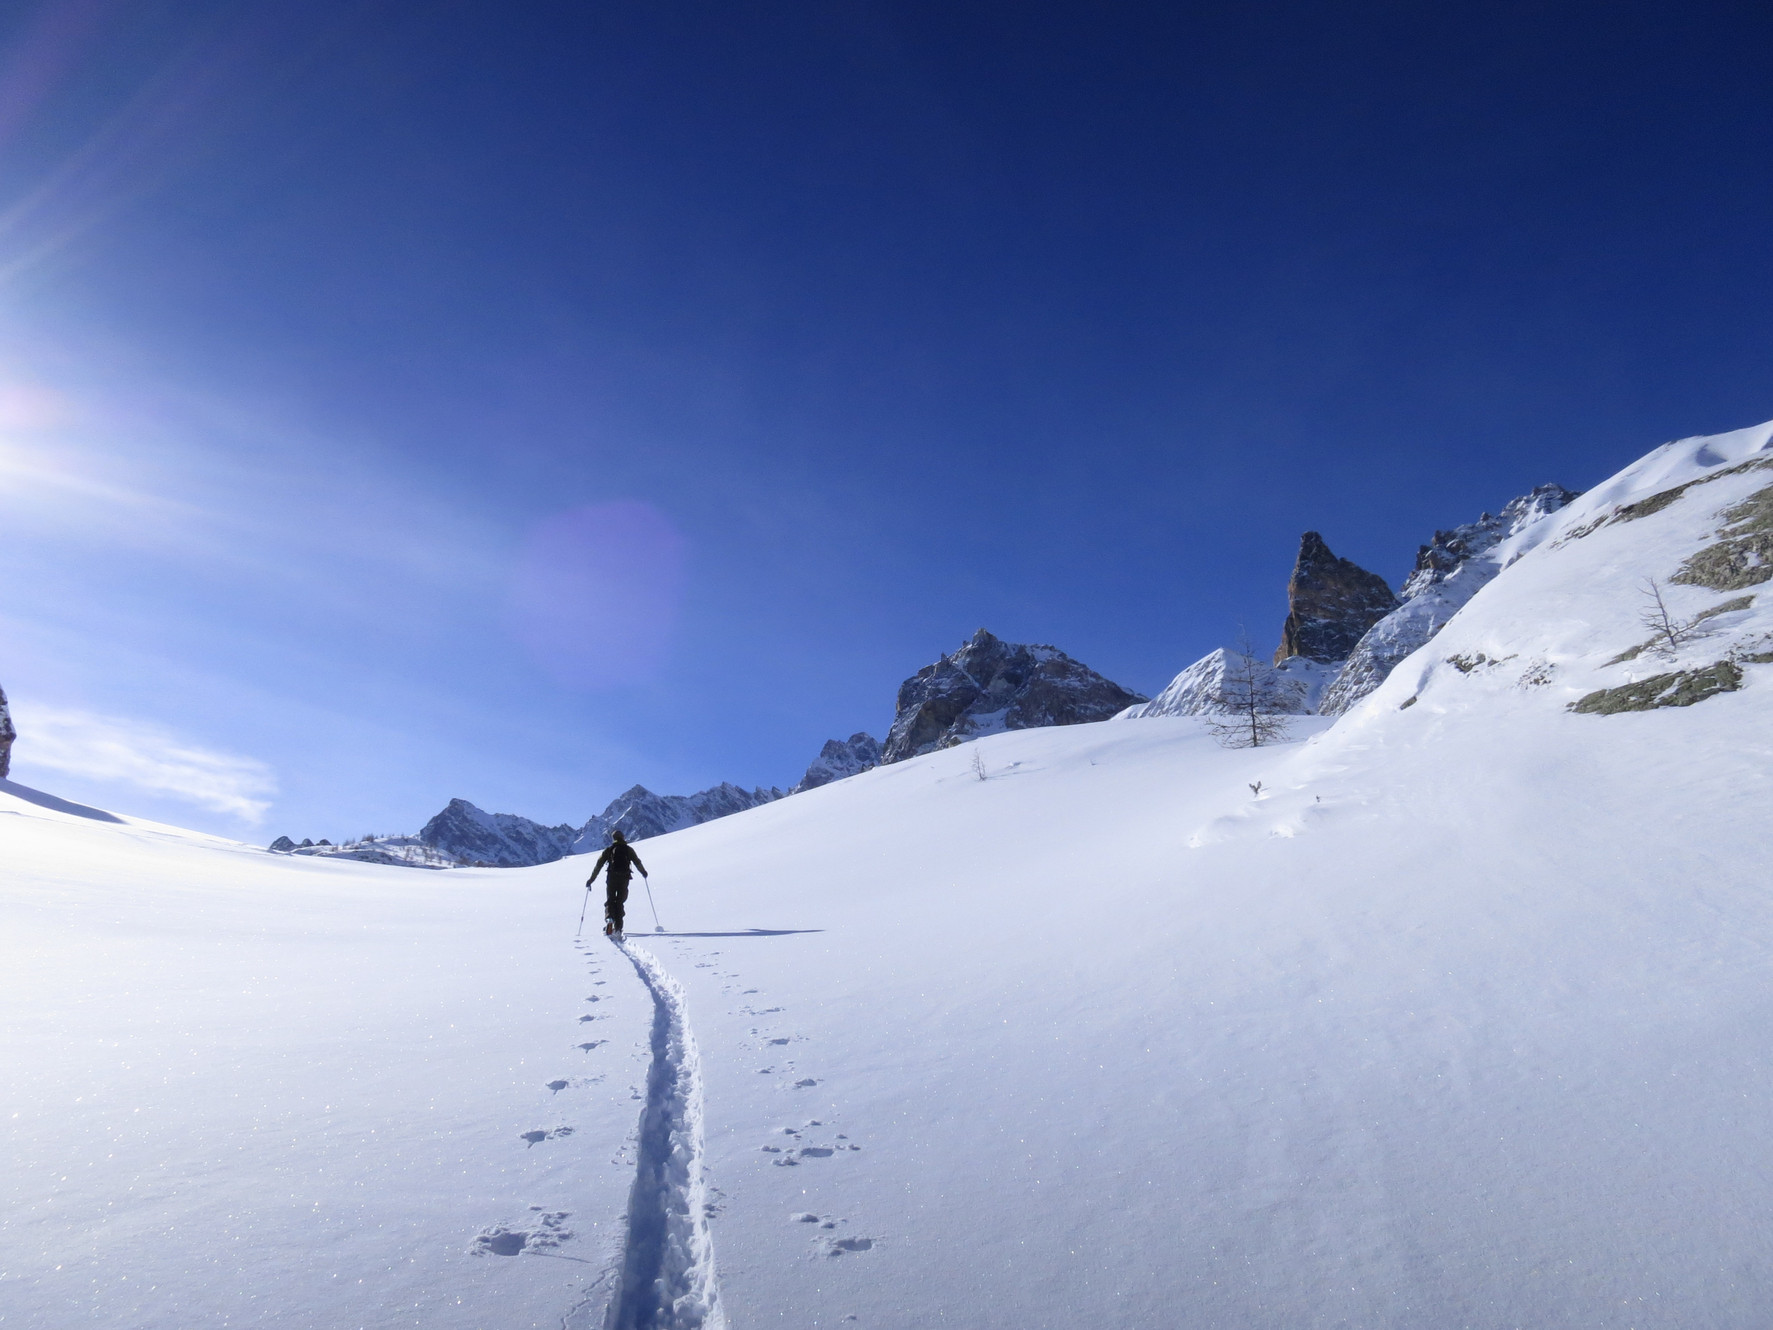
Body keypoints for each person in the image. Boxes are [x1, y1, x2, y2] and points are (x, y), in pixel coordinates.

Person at [585, 829, 647, 937]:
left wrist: (591, 879)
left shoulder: (609, 850)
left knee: (610, 900)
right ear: (623, 837)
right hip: (624, 878)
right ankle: (618, 928)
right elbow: (637, 861)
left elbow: (598, 866)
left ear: (613, 838)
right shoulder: (628, 850)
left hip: (611, 878)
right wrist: (643, 872)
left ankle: (609, 919)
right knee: (620, 902)